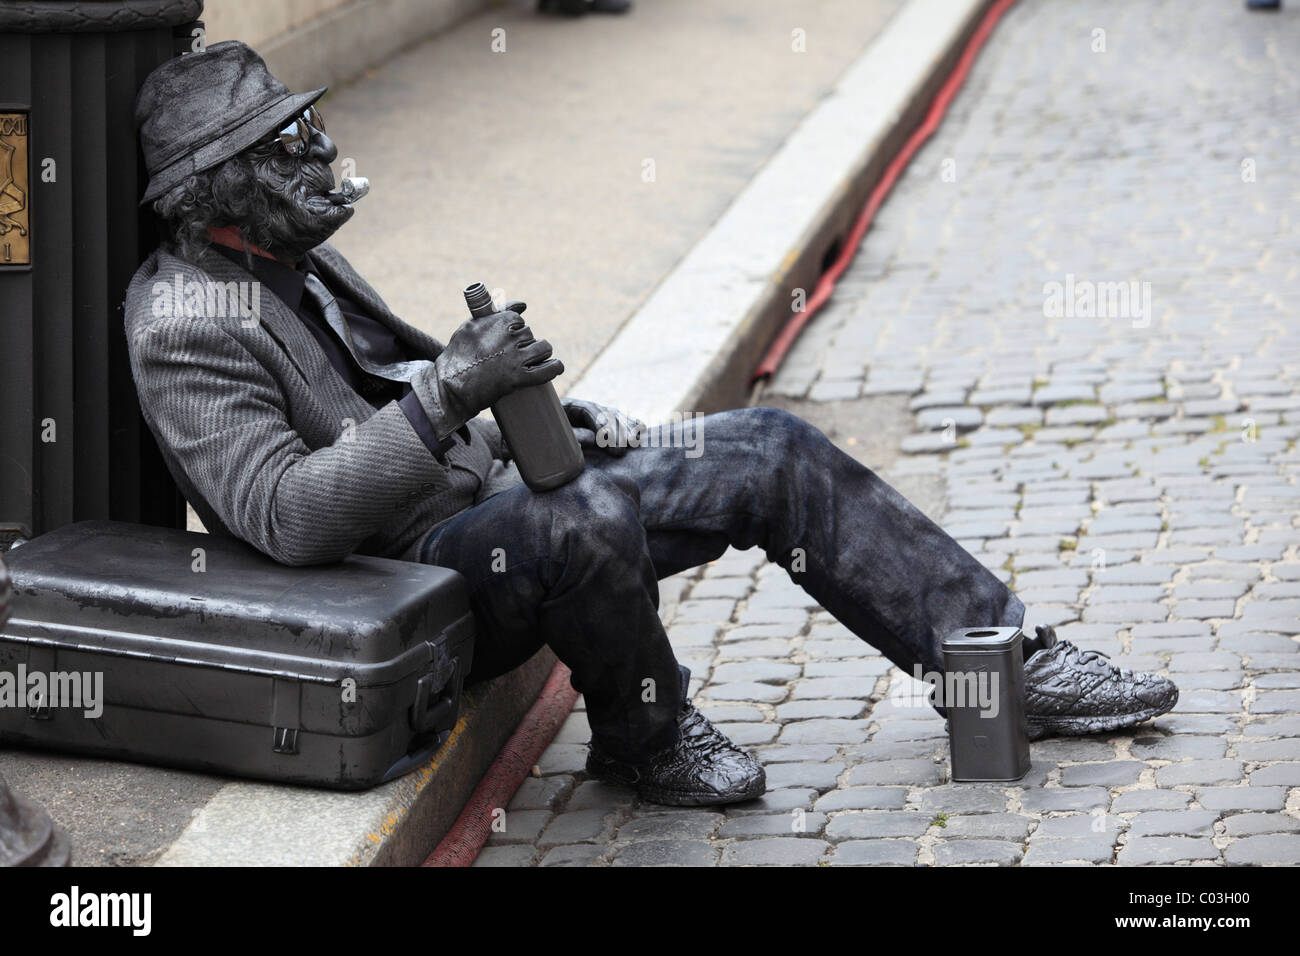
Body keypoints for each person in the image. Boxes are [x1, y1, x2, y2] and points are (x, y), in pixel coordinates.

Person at [124, 42, 1178, 807]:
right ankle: (644, 731)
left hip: (481, 490)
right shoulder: (183, 319)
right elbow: (288, 516)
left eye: (312, 131)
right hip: (416, 573)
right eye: (294, 145)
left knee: (768, 445)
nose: (324, 155)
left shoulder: (277, 253)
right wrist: (449, 390)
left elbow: (373, 379)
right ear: (224, 184)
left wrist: (526, 406)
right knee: (576, 516)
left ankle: (999, 663)